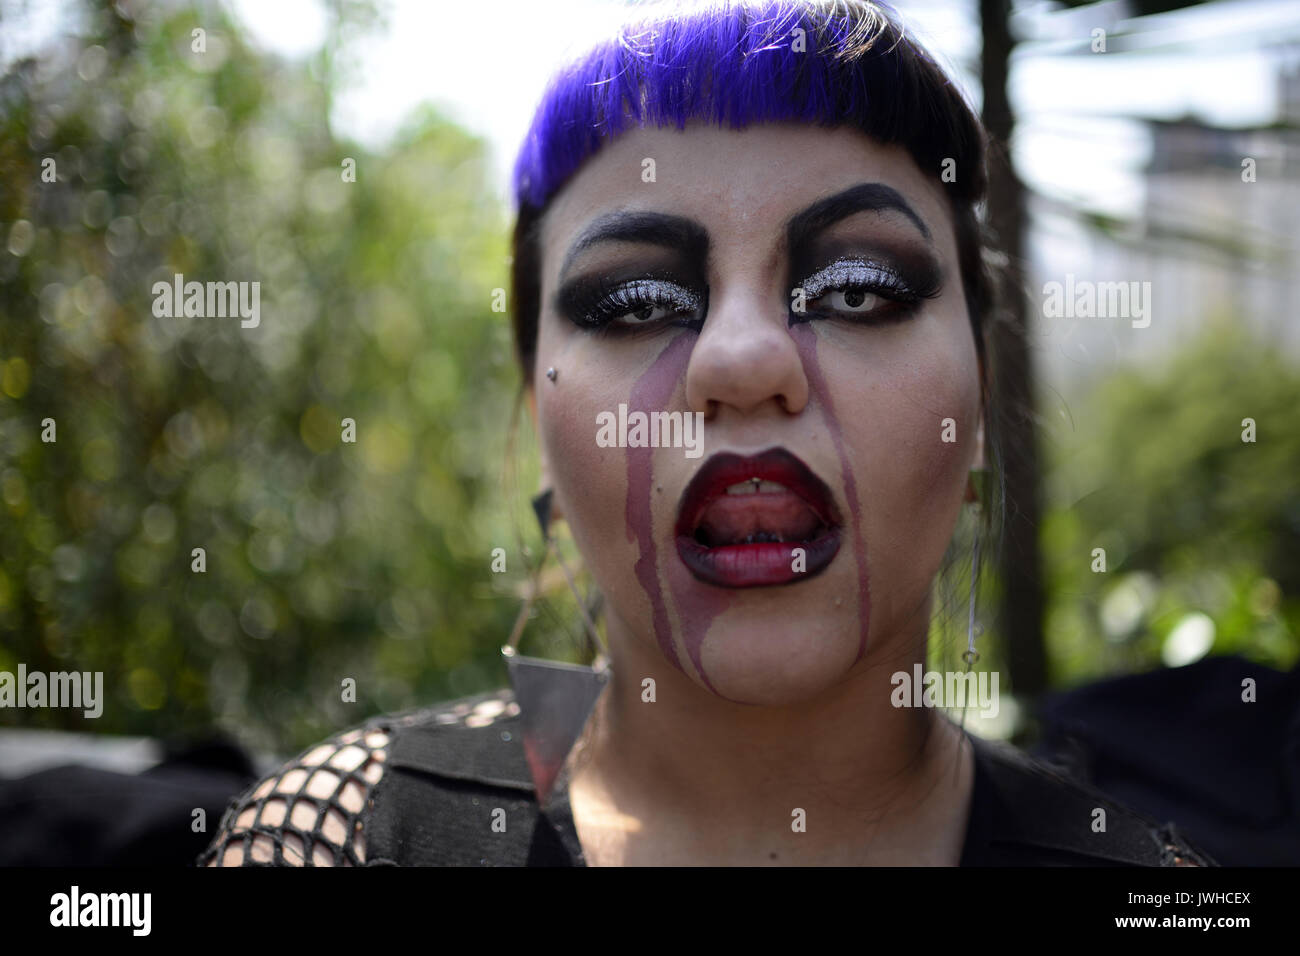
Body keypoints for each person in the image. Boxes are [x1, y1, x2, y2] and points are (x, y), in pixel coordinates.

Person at [198, 0, 1214, 867]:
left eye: (857, 288)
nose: (741, 361)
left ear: (978, 405)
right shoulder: (330, 842)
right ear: (537, 418)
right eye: (637, 300)